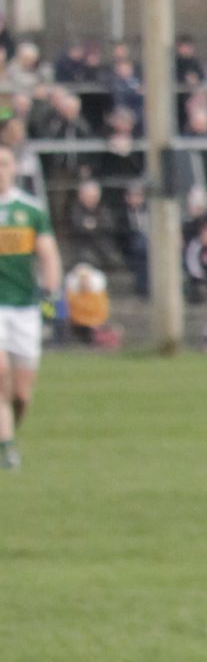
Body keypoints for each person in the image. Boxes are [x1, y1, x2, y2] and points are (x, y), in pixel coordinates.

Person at [0, 142, 63, 469]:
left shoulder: (31, 211)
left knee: (21, 395)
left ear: (14, 168)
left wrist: (51, 293)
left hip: (24, 307)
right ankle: (7, 448)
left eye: (5, 163)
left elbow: (48, 253)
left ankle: (7, 434)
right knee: (0, 374)